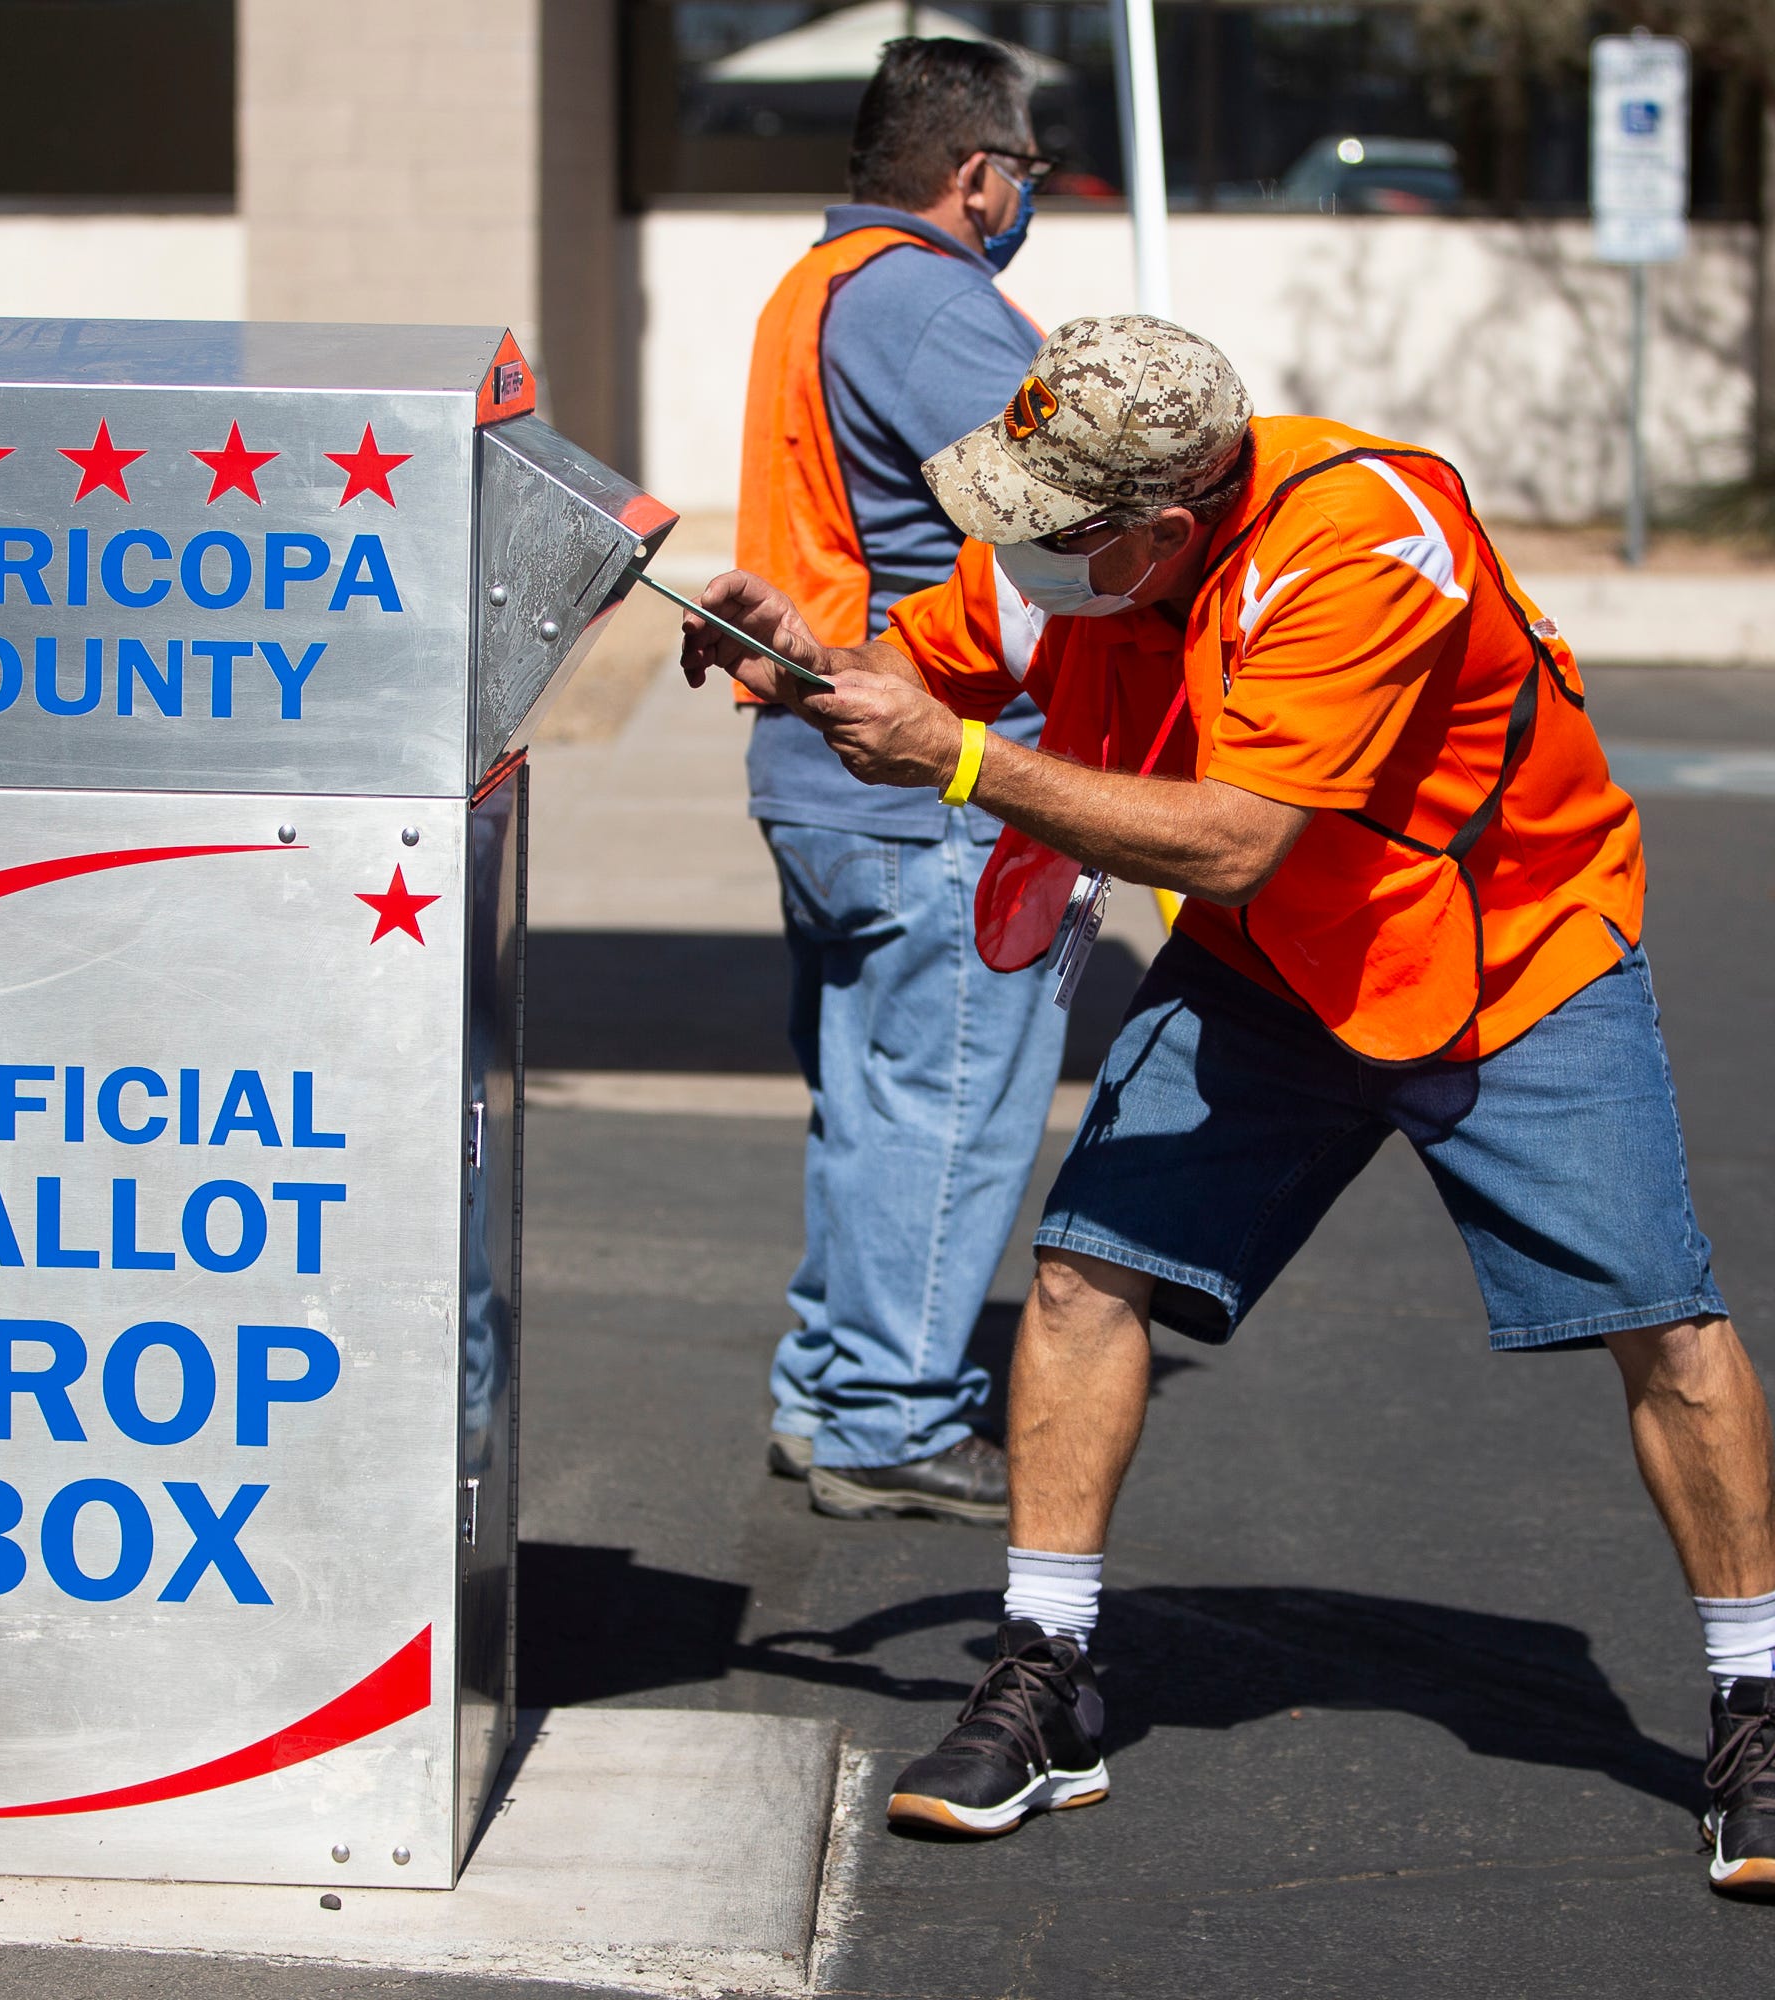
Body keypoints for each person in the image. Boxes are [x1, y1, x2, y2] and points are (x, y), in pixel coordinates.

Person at [680, 315, 1775, 1903]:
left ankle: (1757, 1712)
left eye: (1050, 529)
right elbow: (921, 669)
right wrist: (803, 657)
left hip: (1505, 952)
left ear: (1164, 531)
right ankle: (1047, 1677)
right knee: (1085, 1275)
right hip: (1274, 965)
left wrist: (958, 765)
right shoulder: (1071, 552)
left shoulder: (1360, 539)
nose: (1014, 552)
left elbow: (1231, 842)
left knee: (1662, 1317)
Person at [735, 38, 1067, 1527]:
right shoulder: (931, 303)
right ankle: (889, 1416)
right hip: (932, 769)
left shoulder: (818, 284)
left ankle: (832, 1387)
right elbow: (1071, 504)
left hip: (824, 758)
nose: (1026, 198)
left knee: (870, 1107)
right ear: (978, 176)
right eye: (1028, 172)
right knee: (944, 1108)